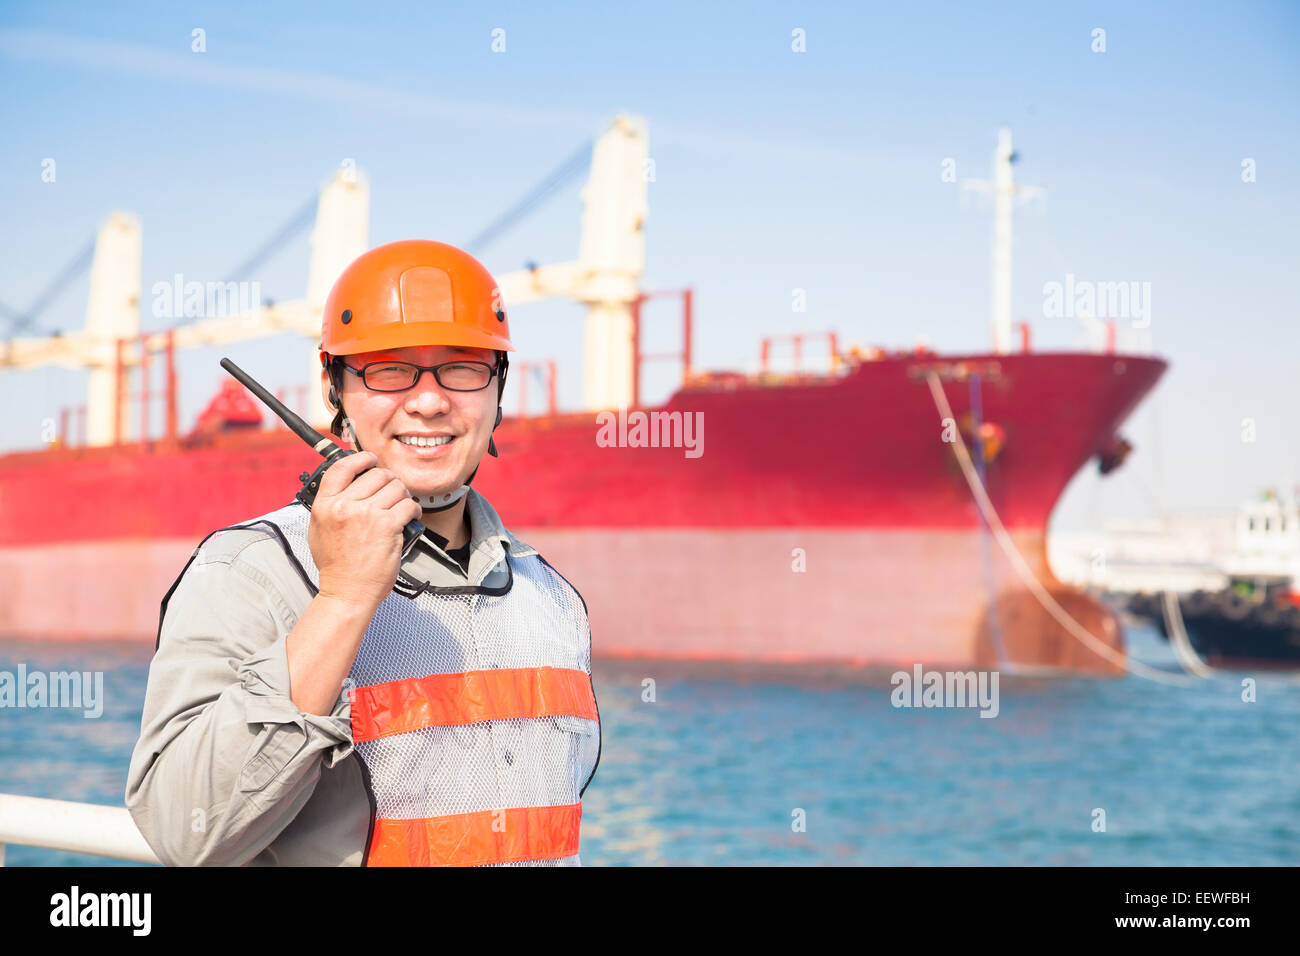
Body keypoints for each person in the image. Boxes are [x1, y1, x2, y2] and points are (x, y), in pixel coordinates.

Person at [126, 240, 600, 866]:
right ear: (334, 390)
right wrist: (344, 599)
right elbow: (185, 835)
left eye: (462, 368)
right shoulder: (250, 572)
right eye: (389, 370)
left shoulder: (549, 595)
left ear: (498, 391)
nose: (429, 400)